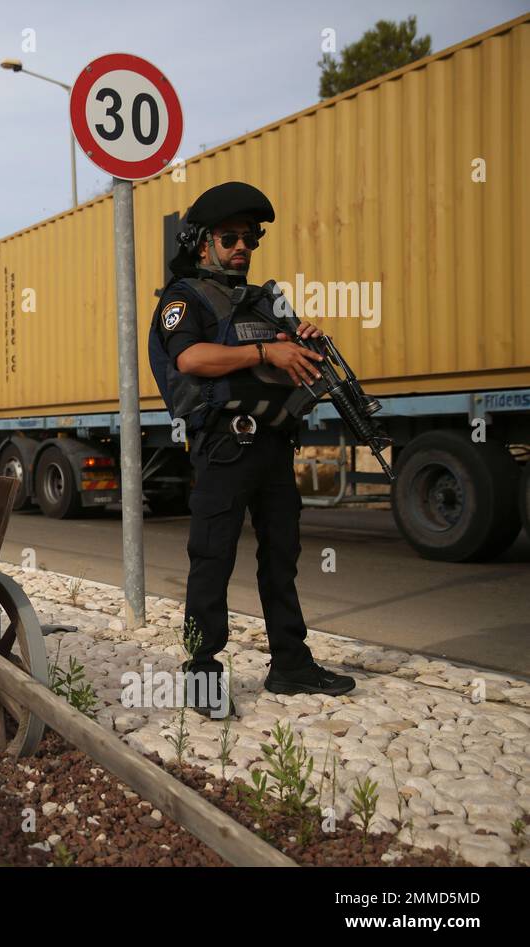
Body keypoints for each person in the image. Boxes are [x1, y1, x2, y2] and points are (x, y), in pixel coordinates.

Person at [150, 182, 355, 718]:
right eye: (229, 237)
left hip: (272, 444)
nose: (242, 247)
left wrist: (302, 339)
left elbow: (290, 360)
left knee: (281, 557)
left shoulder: (267, 300)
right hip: (223, 444)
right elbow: (191, 359)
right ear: (202, 243)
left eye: (250, 238)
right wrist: (266, 348)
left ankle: (290, 663)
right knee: (212, 557)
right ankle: (201, 673)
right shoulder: (184, 297)